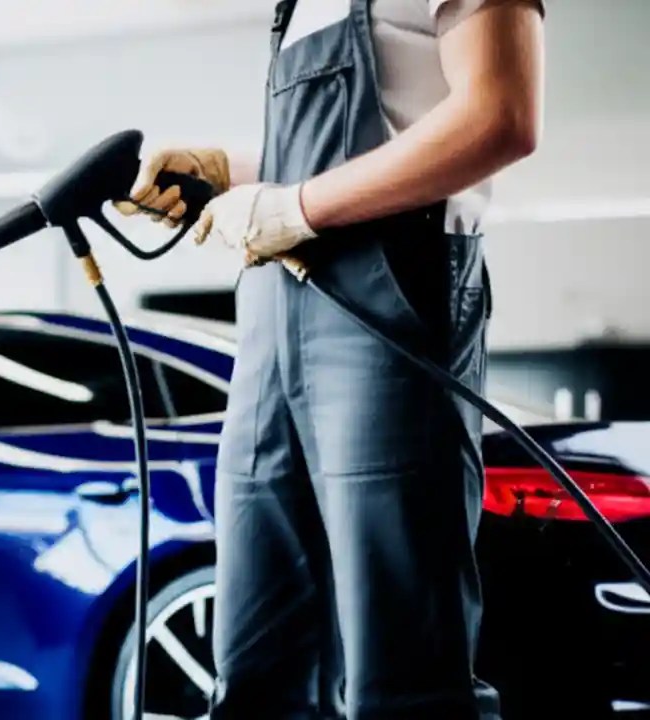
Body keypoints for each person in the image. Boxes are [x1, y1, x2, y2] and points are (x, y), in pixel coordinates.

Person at [118, 0, 544, 718]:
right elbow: (345, 151)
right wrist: (232, 172)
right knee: (259, 668)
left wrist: (297, 208)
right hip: (273, 314)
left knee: (403, 671)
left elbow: (500, 115)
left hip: (388, 305)